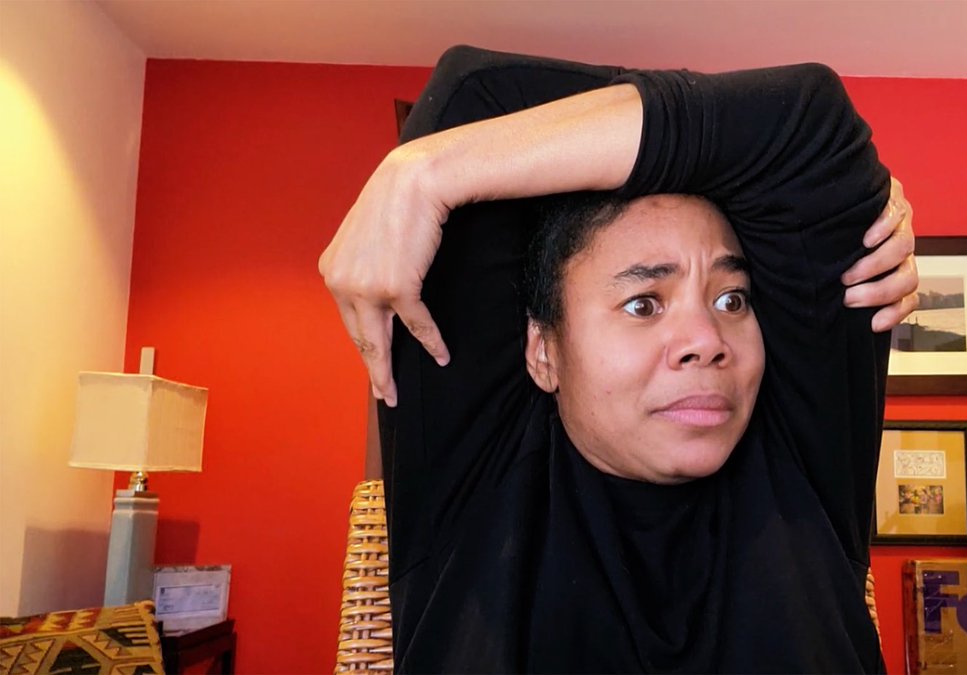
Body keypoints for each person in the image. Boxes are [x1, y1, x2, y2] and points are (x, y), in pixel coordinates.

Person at [320, 46, 918, 672]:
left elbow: (814, 124)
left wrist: (424, 170)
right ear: (543, 352)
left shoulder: (802, 456)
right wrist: (414, 172)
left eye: (732, 299)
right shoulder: (478, 480)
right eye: (643, 304)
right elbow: (477, 95)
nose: (707, 338)